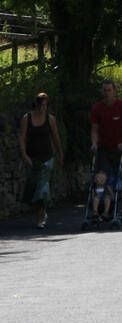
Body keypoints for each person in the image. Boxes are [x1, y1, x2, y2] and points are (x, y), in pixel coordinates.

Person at [19, 91, 64, 229]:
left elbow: (56, 137)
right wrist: (24, 155)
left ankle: (40, 217)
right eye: (42, 105)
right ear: (36, 104)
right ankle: (41, 213)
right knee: (34, 187)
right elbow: (22, 137)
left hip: (47, 158)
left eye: (46, 105)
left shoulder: (50, 119)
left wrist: (60, 154)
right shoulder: (27, 118)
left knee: (42, 187)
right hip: (32, 158)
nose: (44, 108)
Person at [90, 79, 122, 209]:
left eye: (109, 90)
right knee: (102, 177)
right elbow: (94, 130)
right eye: (104, 90)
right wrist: (94, 143)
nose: (106, 93)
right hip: (104, 148)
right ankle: (104, 206)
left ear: (114, 91)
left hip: (120, 148)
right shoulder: (97, 108)